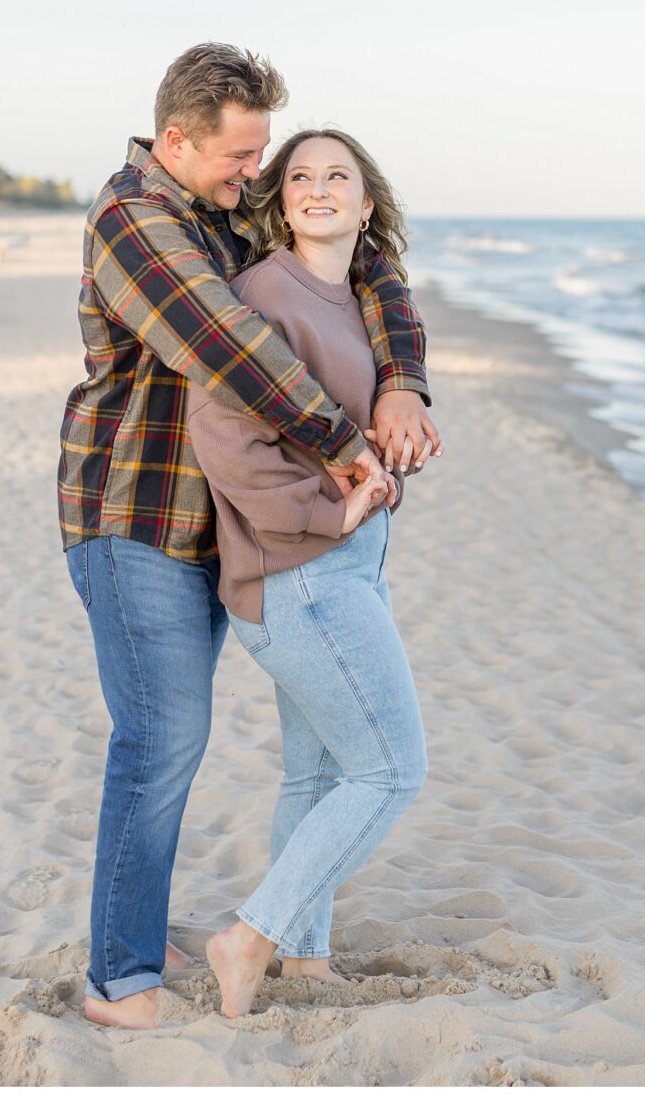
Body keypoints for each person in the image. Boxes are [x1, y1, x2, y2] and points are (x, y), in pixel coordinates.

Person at [57, 43, 441, 1029]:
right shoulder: (131, 222)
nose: (254, 174)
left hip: (218, 532)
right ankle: (116, 976)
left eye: (262, 153)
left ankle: (173, 928)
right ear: (175, 138)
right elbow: (231, 347)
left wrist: (401, 376)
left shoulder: (224, 212)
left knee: (224, 743)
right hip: (133, 516)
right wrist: (342, 445)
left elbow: (371, 268)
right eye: (241, 155)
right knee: (161, 733)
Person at [186, 128, 427, 1017]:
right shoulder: (263, 296)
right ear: (280, 202)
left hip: (350, 564)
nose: (318, 188)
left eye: (339, 177)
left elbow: (347, 433)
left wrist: (394, 445)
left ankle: (307, 958)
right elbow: (228, 447)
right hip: (297, 573)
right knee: (393, 771)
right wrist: (332, 511)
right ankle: (252, 936)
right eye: (299, 177)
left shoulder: (361, 296)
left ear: (367, 205)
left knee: (317, 778)